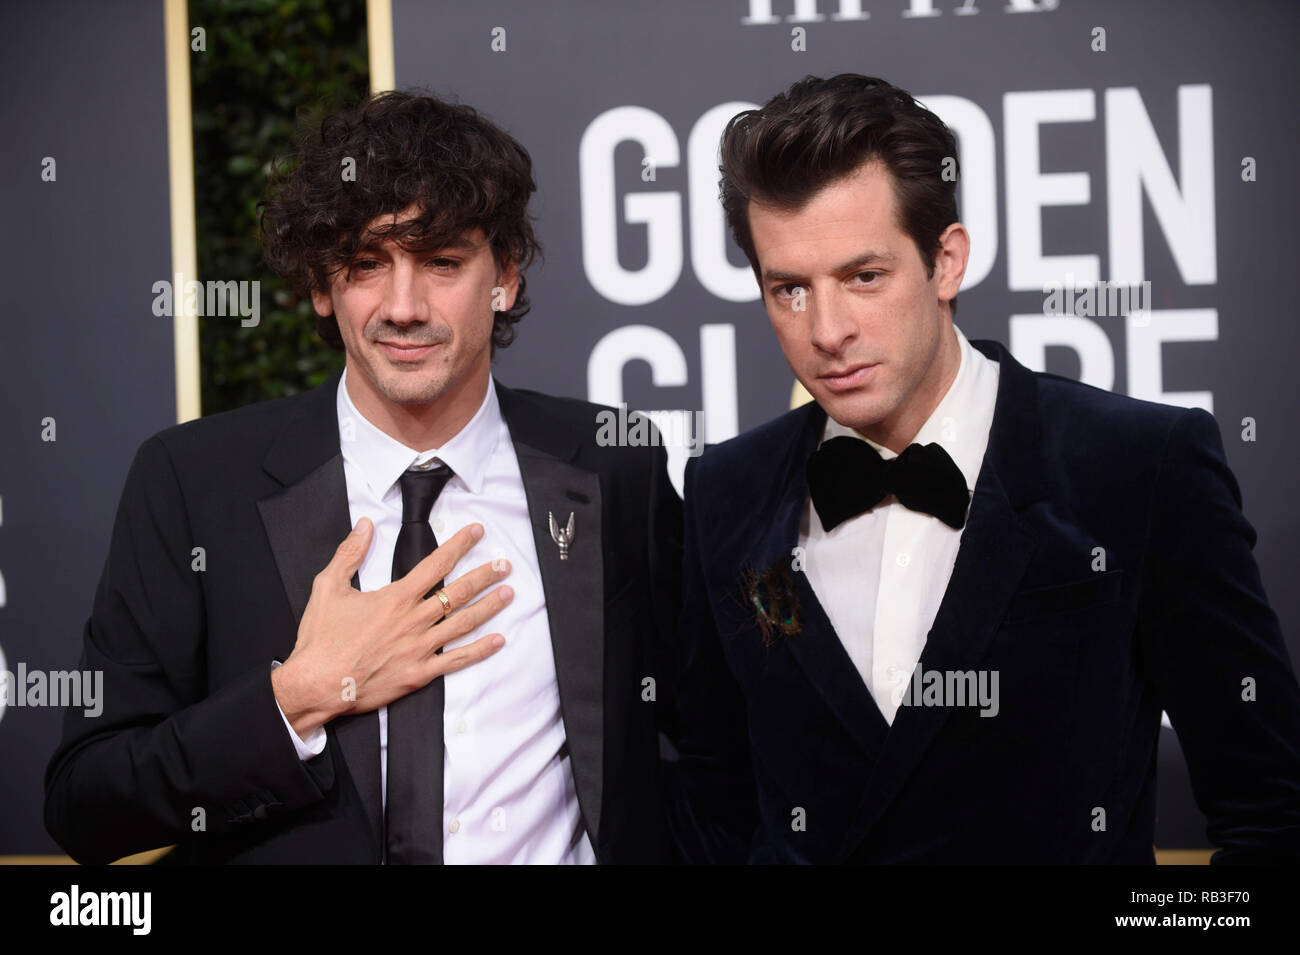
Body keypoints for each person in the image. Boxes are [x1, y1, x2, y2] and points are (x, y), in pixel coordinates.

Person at [668, 73, 1300, 864]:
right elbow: (712, 799)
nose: (826, 330)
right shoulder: (725, 490)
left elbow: (1271, 807)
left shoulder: (1138, 467)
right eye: (788, 289)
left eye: (865, 277)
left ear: (946, 262)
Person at [45, 90, 681, 864]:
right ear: (323, 287)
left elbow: (705, 745)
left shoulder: (615, 462)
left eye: (442, 261)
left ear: (504, 277)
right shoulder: (191, 484)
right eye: (366, 264)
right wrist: (298, 697)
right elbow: (86, 803)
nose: (403, 307)